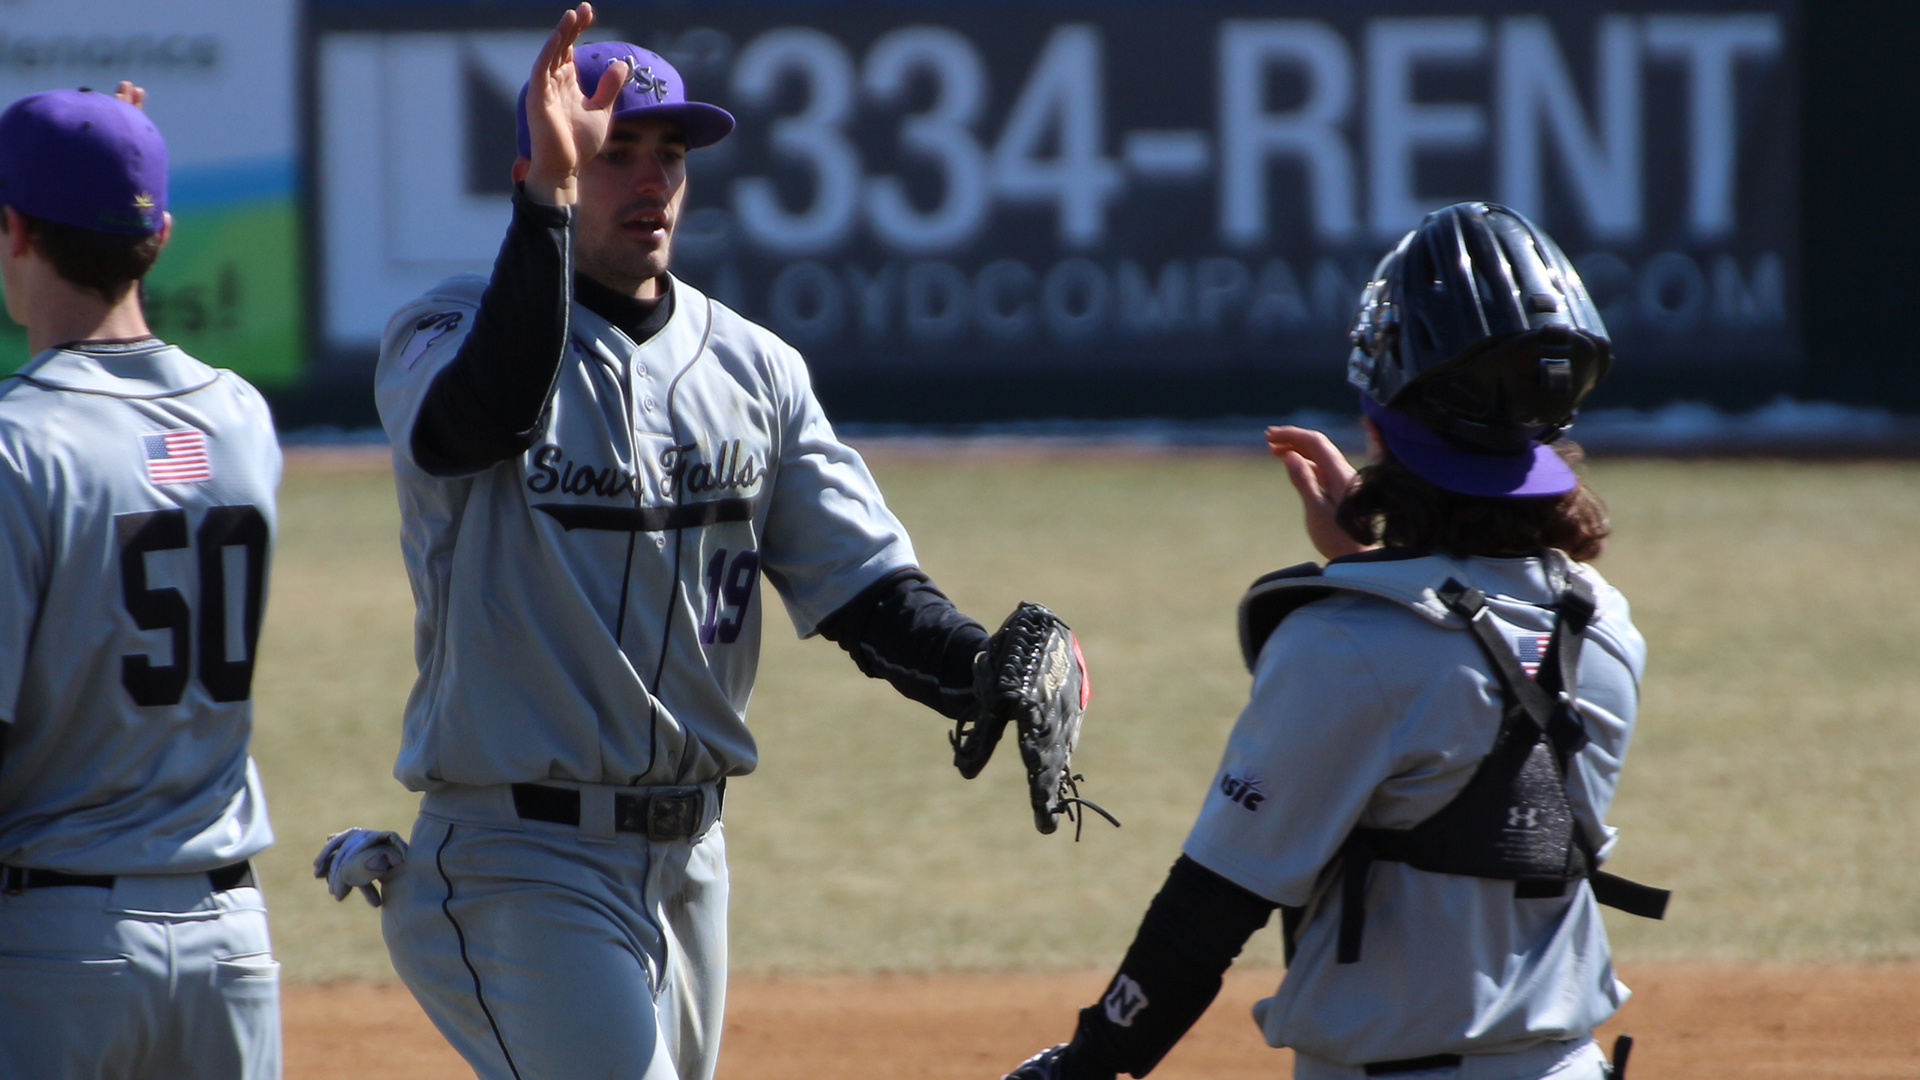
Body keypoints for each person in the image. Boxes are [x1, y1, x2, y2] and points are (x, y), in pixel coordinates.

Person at [316, 7, 1088, 1079]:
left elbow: (863, 589)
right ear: (546, 164)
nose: (648, 179)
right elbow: (478, 420)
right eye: (614, 149)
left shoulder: (755, 369)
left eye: (668, 154)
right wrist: (543, 196)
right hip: (517, 861)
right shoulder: (442, 332)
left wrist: (975, 665)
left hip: (691, 864)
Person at [1002, 202, 1668, 1080]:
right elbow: (1473, 686)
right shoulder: (1604, 624)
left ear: (1380, 422)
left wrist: (1087, 1061)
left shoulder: (1347, 648)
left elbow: (1214, 902)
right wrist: (1385, 552)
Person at [0, 84, 283, 1080]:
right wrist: (112, 159)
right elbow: (150, 464)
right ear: (161, 234)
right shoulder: (242, 420)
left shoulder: (16, 445)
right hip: (233, 948)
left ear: (14, 230)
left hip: (56, 954)